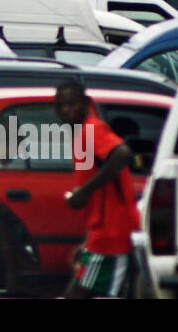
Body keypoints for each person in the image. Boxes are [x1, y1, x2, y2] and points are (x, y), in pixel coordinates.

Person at [55, 80, 138, 298]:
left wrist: (84, 191)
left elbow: (122, 154)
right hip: (102, 232)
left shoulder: (91, 128)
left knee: (78, 293)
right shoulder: (82, 132)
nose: (66, 110)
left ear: (85, 103)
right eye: (61, 105)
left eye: (72, 104)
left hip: (111, 234)